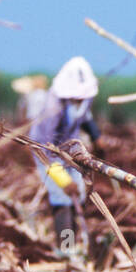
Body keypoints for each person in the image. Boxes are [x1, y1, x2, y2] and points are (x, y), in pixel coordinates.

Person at [30, 57, 103, 252]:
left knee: (79, 194)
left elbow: (86, 117)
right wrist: (62, 180)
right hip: (46, 152)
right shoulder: (53, 109)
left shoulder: (86, 98)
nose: (80, 98)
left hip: (69, 149)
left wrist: (97, 138)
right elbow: (46, 149)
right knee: (62, 197)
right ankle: (66, 247)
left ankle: (78, 242)